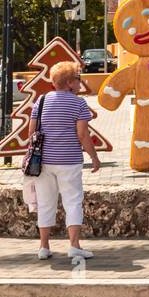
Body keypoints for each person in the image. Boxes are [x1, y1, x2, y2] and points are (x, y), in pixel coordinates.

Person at [26, 60, 101, 260]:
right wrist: (94, 157)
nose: (80, 82)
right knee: (73, 201)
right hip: (69, 160)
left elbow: (32, 132)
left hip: (42, 162)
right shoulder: (79, 103)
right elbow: (83, 135)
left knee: (45, 202)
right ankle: (74, 245)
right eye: (78, 79)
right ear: (69, 82)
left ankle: (44, 247)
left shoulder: (40, 101)